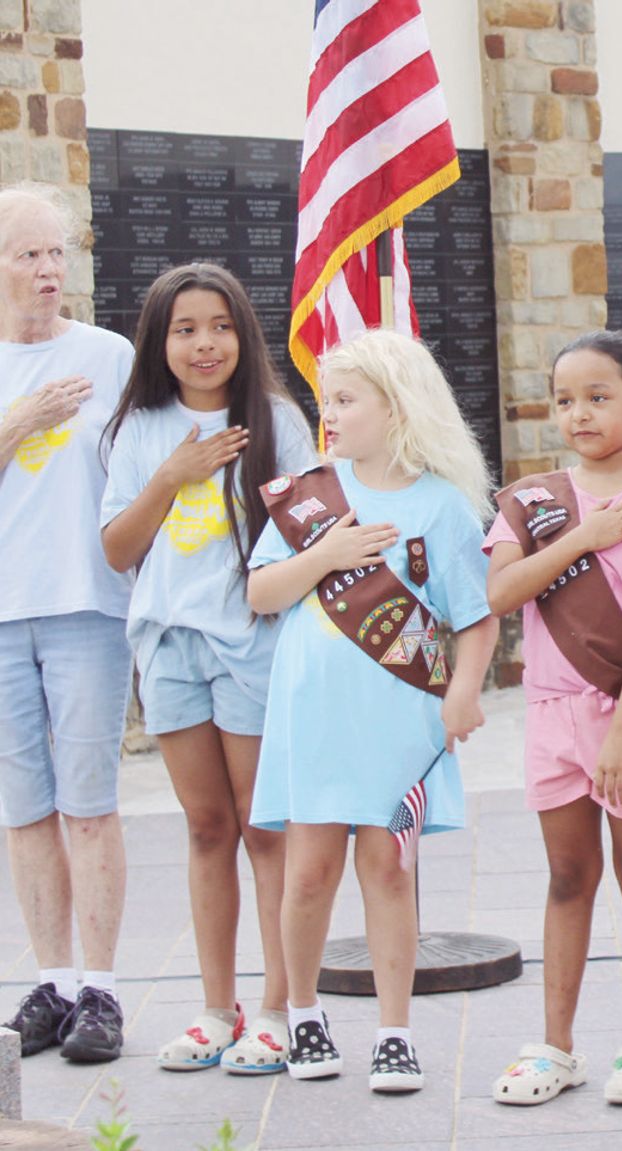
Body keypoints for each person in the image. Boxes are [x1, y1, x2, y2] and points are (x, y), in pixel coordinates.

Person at [244, 329, 499, 1092]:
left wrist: (464, 689)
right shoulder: (310, 497)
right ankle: (304, 1013)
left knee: (389, 867)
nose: (331, 413)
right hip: (315, 714)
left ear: (397, 407)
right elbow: (261, 594)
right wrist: (324, 555)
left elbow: (477, 616)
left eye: (347, 399)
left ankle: (395, 1030)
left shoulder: (442, 505)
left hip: (399, 717)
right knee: (310, 869)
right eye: (327, 400)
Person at [99, 264, 317, 1073]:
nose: (204, 343)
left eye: (219, 326)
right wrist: (170, 477)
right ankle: (214, 1007)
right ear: (159, 341)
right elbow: (119, 549)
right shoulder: (138, 430)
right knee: (206, 826)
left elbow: (313, 534)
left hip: (251, 642)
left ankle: (277, 1008)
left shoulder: (278, 423)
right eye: (185, 328)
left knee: (265, 829)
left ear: (242, 334)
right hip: (169, 646)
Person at [483, 331, 622, 1107]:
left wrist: (621, 729)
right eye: (566, 399)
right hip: (550, 711)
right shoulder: (533, 500)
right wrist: (585, 535)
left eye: (599, 396)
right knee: (568, 876)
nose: (580, 413)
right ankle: (556, 1045)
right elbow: (501, 595)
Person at [0, 183, 134, 1063]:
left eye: (58, 252)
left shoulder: (112, 354)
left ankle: (102, 989)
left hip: (89, 604)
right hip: (3, 614)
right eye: (29, 255)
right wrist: (23, 418)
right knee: (25, 810)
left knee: (89, 804)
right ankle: (47, 982)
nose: (51, 270)